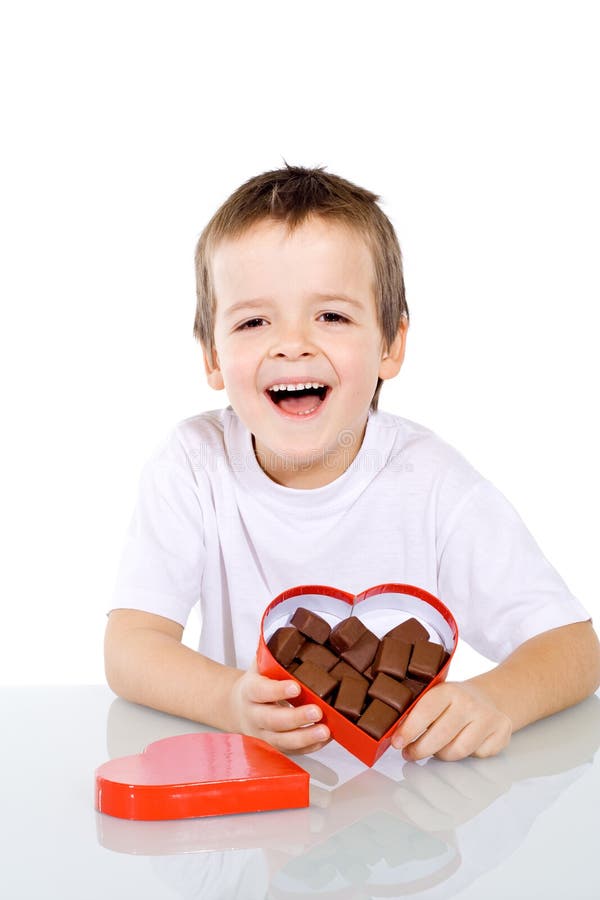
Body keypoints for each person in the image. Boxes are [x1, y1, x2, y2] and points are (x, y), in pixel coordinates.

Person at [104, 164, 600, 762]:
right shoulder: (193, 466)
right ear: (212, 356)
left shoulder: (433, 483)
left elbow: (575, 648)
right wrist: (229, 699)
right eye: (254, 321)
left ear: (390, 344)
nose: (292, 343)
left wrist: (494, 699)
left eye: (331, 316)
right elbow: (130, 647)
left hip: (406, 812)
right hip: (252, 808)